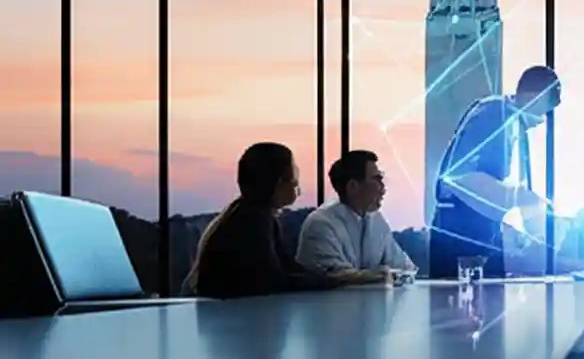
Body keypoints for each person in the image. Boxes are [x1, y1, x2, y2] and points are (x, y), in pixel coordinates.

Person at [429, 65, 561, 279]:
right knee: (461, 302)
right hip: (463, 227)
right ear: (535, 96)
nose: (542, 118)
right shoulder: (494, 114)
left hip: (480, 225)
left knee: (490, 298)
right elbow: (462, 177)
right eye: (544, 109)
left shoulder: (508, 119)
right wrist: (521, 198)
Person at [187, 142, 339, 299]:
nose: (296, 185)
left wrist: (327, 279)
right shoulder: (252, 222)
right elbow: (272, 280)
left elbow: (288, 268)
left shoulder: (248, 214)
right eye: (293, 178)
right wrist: (328, 281)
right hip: (238, 316)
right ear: (279, 182)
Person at [295, 150, 417, 284]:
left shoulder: (376, 220)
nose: (383, 188)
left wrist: (388, 275)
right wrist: (382, 275)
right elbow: (335, 277)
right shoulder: (320, 224)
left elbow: (405, 268)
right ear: (353, 187)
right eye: (377, 180)